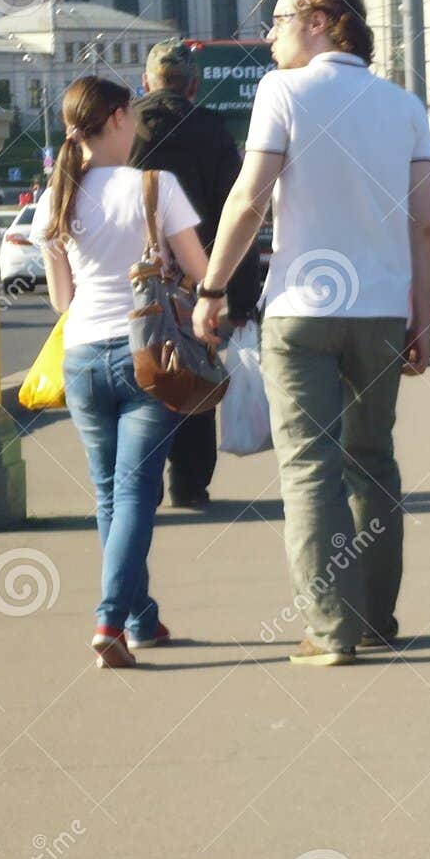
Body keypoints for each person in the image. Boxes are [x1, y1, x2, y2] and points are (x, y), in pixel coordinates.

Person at [193, 0, 430, 667]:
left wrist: (212, 289)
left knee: (309, 468)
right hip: (381, 314)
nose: (270, 35)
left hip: (300, 312)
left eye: (280, 19)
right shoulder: (404, 106)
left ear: (323, 21)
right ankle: (376, 619)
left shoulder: (283, 91)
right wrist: (423, 319)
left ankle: (331, 631)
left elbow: (249, 199)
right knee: (373, 462)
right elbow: (427, 225)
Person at [35, 76, 209, 669]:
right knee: (135, 492)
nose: (134, 124)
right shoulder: (154, 187)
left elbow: (61, 300)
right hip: (147, 357)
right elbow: (200, 271)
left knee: (110, 494)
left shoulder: (55, 198)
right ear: (114, 118)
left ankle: (139, 618)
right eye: (130, 115)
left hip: (82, 356)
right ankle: (110, 620)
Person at [130, 37, 259, 508]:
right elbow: (238, 215)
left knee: (141, 378)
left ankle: (139, 488)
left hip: (134, 282)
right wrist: (241, 300)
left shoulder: (124, 128)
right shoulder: (213, 132)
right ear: (194, 85)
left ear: (146, 82)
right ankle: (189, 483)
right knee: (193, 374)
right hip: (198, 283)